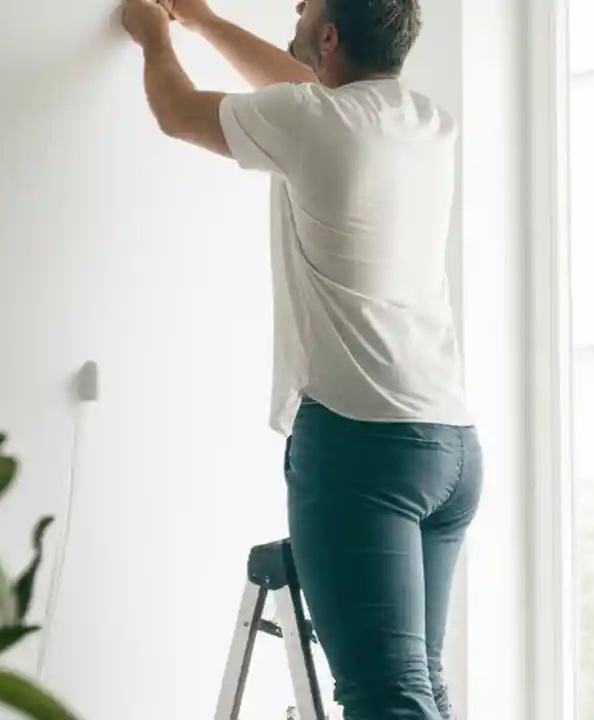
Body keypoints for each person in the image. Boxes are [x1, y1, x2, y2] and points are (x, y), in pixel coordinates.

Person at [121, 1, 482, 717]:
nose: (295, 2)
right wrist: (203, 19)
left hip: (362, 445)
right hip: (451, 446)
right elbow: (300, 81)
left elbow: (177, 110)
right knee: (421, 687)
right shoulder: (425, 123)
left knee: (387, 699)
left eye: (308, 2)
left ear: (329, 35)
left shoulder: (312, 123)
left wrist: (154, 35)